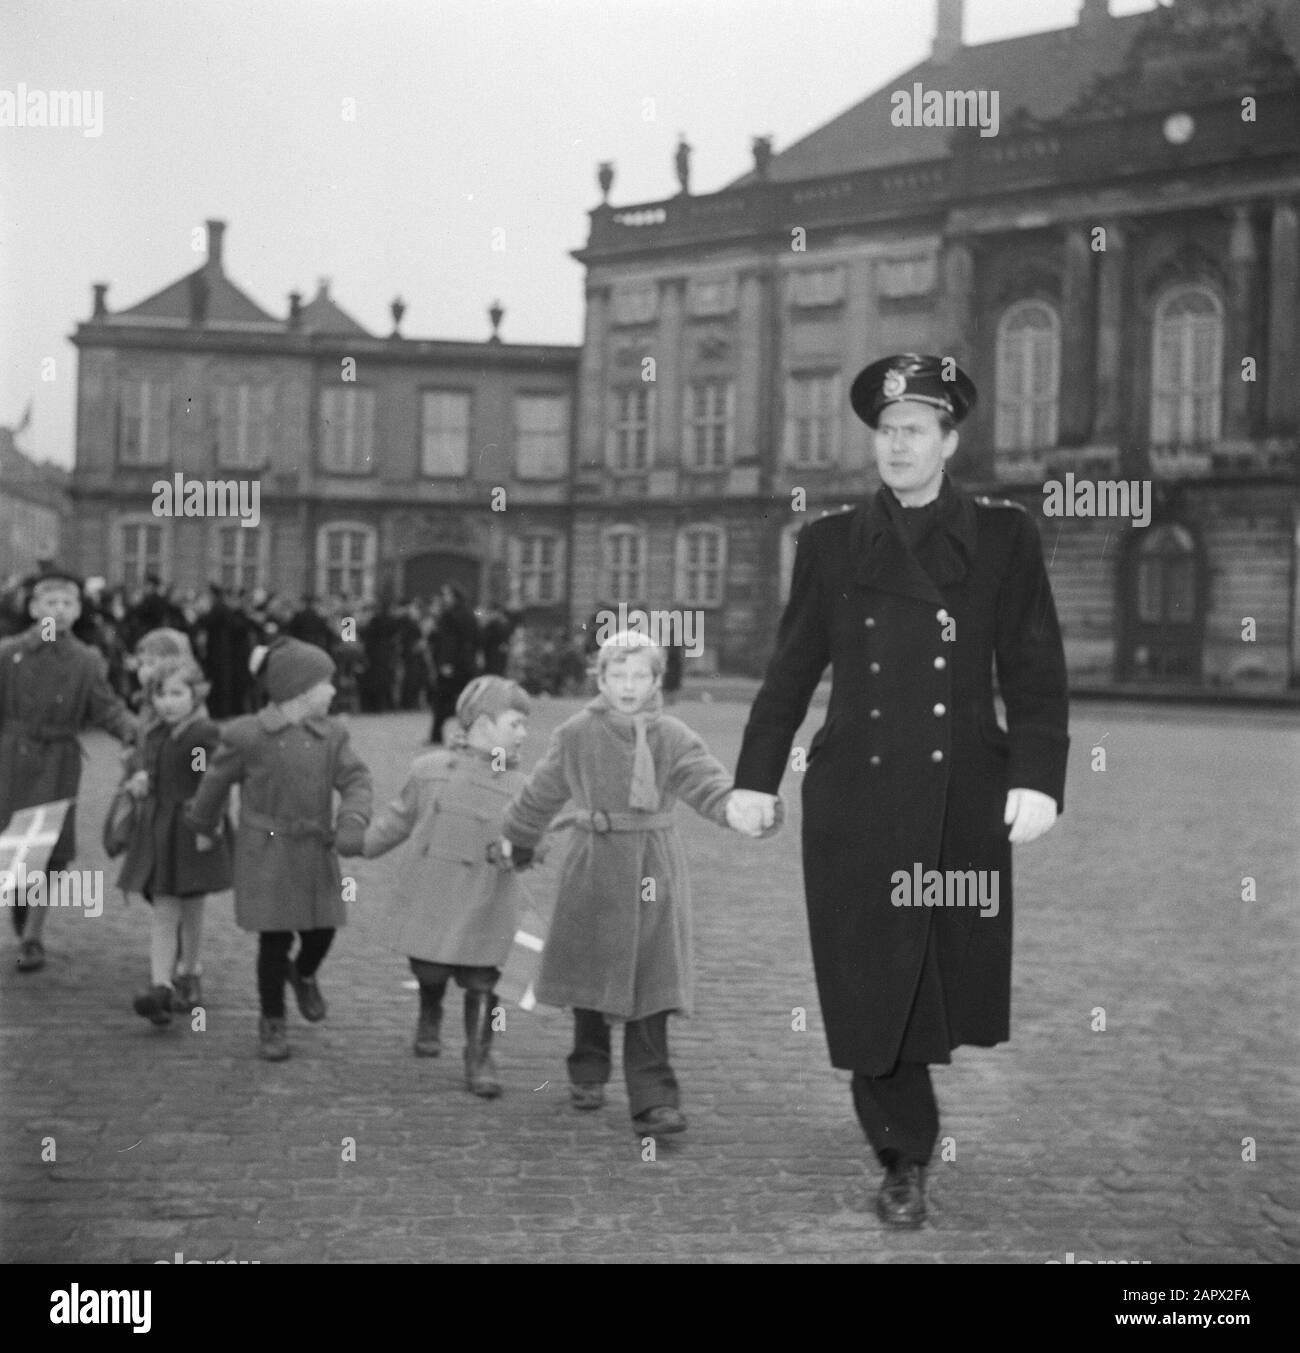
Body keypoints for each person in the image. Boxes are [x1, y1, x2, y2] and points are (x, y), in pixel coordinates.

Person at [727, 354, 1069, 1228]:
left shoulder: (1004, 538)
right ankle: (903, 1154)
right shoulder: (831, 543)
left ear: (949, 441)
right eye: (885, 430)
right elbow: (792, 667)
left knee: (938, 965)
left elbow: (1034, 665)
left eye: (914, 429)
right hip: (856, 797)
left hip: (961, 794)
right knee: (869, 975)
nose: (896, 444)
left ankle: (905, 1126)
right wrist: (755, 775)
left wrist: (1038, 775)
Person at [501, 630, 767, 1136]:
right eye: (618, 675)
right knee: (591, 970)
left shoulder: (674, 736)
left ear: (656, 681)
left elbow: (706, 783)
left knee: (652, 982)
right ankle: (588, 1067)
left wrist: (738, 809)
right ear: (600, 678)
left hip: (653, 867)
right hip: (593, 864)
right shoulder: (577, 733)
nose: (628, 686)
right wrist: (518, 837)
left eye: (639, 675)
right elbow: (541, 792)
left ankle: (654, 1099)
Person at [184, 636, 373, 1061]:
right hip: (265, 849)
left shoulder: (332, 735)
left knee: (323, 929)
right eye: (326, 683)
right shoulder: (247, 735)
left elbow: (356, 779)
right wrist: (202, 824)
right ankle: (272, 1020)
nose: (333, 690)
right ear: (299, 690)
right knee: (274, 939)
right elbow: (215, 782)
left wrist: (352, 819)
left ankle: (302, 974)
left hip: (314, 847)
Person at [345, 675, 532, 1096]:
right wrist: (362, 844)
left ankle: (479, 1055)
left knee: (484, 977)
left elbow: (538, 833)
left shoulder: (521, 786)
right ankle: (430, 1008)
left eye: (525, 724)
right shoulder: (428, 771)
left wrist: (524, 851)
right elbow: (398, 819)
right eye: (515, 723)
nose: (524, 733)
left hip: (488, 895)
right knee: (430, 967)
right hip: (434, 890)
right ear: (482, 725)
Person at [0, 566, 137, 971]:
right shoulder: (9, 653)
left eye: (67, 603)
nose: (58, 610)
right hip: (13, 760)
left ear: (78, 611)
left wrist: (138, 733)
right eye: (51, 602)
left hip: (59, 762)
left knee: (50, 852)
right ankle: (22, 904)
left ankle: (32, 936)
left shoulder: (86, 660)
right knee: (16, 847)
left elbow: (107, 708)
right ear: (34, 608)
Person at [117, 655, 232, 1025]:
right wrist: (142, 779)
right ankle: (161, 985)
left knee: (192, 907)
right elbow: (152, 769)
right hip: (160, 827)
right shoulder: (155, 733)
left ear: (195, 694)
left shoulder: (200, 735)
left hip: (189, 827)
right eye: (161, 694)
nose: (167, 702)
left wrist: (206, 827)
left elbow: (207, 782)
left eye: (177, 693)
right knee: (165, 908)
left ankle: (190, 971)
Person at [429, 583, 480, 744]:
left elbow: (448, 641)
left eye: (446, 595)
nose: (444, 598)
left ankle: (437, 734)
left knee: (442, 699)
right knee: (465, 699)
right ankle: (468, 733)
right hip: (467, 663)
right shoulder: (469, 614)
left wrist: (446, 662)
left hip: (453, 664)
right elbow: (476, 638)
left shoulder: (449, 615)